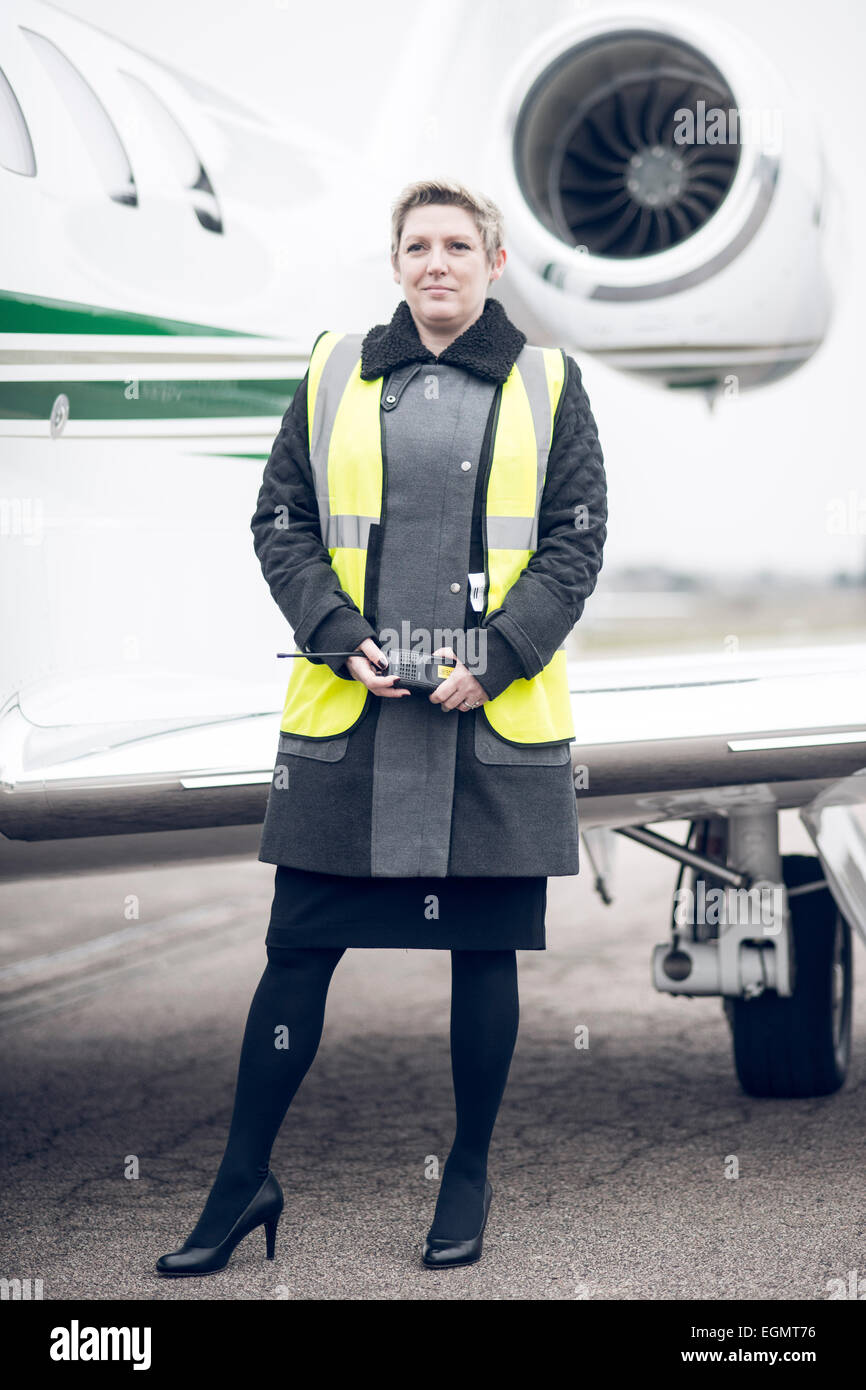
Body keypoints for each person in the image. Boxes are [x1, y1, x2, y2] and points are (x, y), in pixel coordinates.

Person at [155, 177, 607, 1277]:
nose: (435, 263)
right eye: (416, 247)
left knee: (481, 957)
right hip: (348, 724)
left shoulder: (550, 384)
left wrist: (495, 658)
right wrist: (330, 629)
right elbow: (280, 519)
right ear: (394, 262)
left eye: (458, 245)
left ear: (494, 262)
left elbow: (574, 540)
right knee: (296, 953)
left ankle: (466, 1170)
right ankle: (241, 1177)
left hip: (486, 729)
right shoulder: (328, 371)